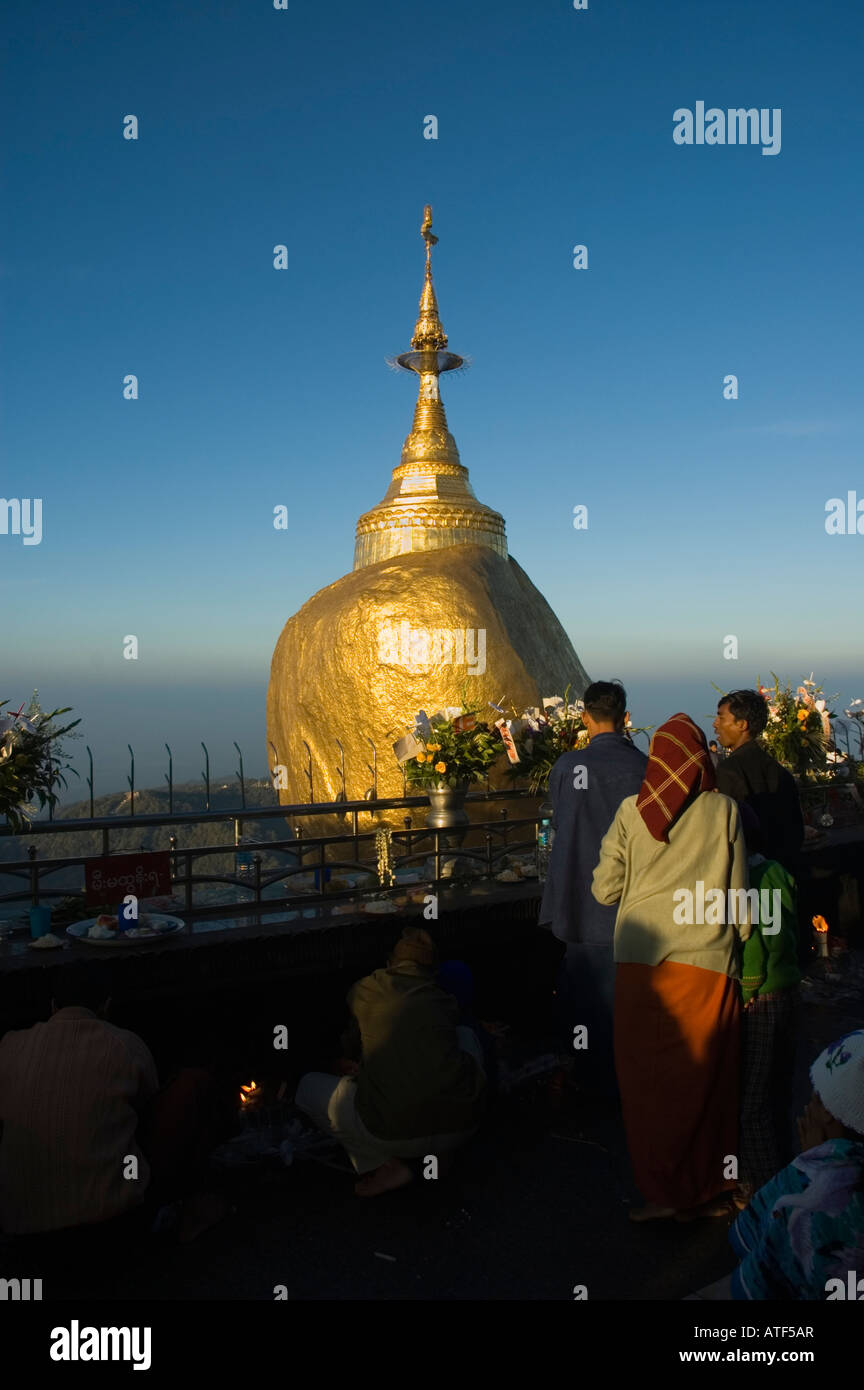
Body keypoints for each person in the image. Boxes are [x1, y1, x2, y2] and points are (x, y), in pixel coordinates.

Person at [592, 712, 751, 1221]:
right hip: (707, 961)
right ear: (701, 757)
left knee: (648, 1083)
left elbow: (604, 889)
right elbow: (739, 899)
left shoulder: (631, 813)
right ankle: (707, 1189)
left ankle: (662, 1193)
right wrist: (740, 943)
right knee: (706, 1078)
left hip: (642, 966)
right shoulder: (723, 809)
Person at [0, 966, 230, 1245]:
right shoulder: (125, 1044)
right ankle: (192, 1207)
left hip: (24, 1237)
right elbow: (150, 1111)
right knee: (192, 1084)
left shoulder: (9, 1046)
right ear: (107, 1006)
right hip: (117, 1229)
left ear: (53, 1006)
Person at [296, 927, 486, 1197]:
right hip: (463, 1124)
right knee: (464, 1035)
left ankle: (385, 1165)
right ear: (433, 970)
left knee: (307, 1088)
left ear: (389, 964)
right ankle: (444, 1155)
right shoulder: (445, 999)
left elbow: (354, 1029)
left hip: (389, 1132)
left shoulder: (366, 988)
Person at [691, 1031, 864, 1300]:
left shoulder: (818, 1189)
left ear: (830, 1117)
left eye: (816, 1099)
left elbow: (762, 1276)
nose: (808, 1108)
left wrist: (815, 1166)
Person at [538, 680, 647, 1097]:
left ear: (585, 718)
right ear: (625, 718)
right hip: (634, 904)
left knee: (587, 1001)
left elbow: (560, 822)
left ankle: (592, 1082)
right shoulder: (643, 768)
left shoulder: (570, 767)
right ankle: (623, 1082)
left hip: (583, 899)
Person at [736, 804, 802, 1204]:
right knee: (779, 1090)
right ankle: (787, 1169)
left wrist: (749, 987)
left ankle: (762, 1188)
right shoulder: (776, 871)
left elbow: (759, 940)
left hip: (762, 996)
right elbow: (783, 927)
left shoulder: (747, 880)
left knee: (751, 1101)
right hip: (791, 987)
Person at [713, 690, 805, 877]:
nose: (715, 725)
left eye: (721, 718)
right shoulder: (780, 772)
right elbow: (795, 831)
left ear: (742, 724)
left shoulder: (728, 770)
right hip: (782, 873)